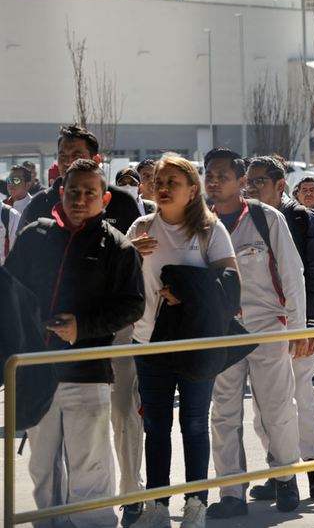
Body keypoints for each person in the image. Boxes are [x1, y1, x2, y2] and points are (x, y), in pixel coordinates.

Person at [6, 159, 145, 528]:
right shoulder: (35, 235)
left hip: (88, 371)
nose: (80, 199)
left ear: (105, 198)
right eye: (73, 191)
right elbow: (11, 293)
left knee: (90, 468)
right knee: (42, 468)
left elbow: (132, 304)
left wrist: (81, 327)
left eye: (89, 193)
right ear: (60, 193)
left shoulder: (118, 248)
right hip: (36, 372)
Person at [126, 154, 239, 528]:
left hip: (195, 343)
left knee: (193, 423)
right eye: (158, 181)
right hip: (148, 343)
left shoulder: (209, 229)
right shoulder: (140, 226)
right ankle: (157, 507)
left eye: (172, 181)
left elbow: (230, 283)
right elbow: (122, 285)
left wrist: (187, 291)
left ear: (192, 190)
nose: (162, 187)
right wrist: (129, 257)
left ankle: (196, 505)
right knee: (155, 426)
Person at [198, 149, 307, 518]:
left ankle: (286, 477)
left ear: (241, 182)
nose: (213, 182)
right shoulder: (198, 223)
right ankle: (231, 492)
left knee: (276, 408)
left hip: (266, 328)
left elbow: (292, 276)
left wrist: (298, 328)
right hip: (220, 334)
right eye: (209, 175)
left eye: (222, 176)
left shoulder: (266, 218)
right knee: (223, 413)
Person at [242, 155, 314, 501]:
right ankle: (280, 470)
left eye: (258, 182)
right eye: (247, 181)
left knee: (301, 399)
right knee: (265, 407)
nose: (251, 188)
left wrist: (311, 325)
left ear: (280, 184)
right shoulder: (242, 219)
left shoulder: (300, 217)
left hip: (297, 327)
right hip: (261, 329)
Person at [24, 124, 141, 235]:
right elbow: (24, 251)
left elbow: (142, 248)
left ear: (96, 161)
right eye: (62, 156)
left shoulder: (122, 202)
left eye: (76, 156)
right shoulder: (40, 202)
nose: (68, 162)